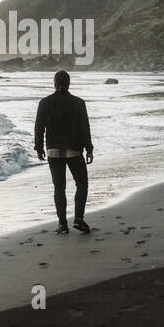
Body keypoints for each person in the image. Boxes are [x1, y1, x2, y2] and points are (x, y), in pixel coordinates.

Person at [33, 70, 93, 234]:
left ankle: (62, 225)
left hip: (54, 151)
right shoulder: (78, 103)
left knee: (59, 188)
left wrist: (38, 148)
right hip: (74, 150)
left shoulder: (45, 102)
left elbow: (39, 128)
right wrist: (89, 148)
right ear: (69, 83)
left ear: (54, 83)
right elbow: (84, 128)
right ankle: (79, 219)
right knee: (81, 184)